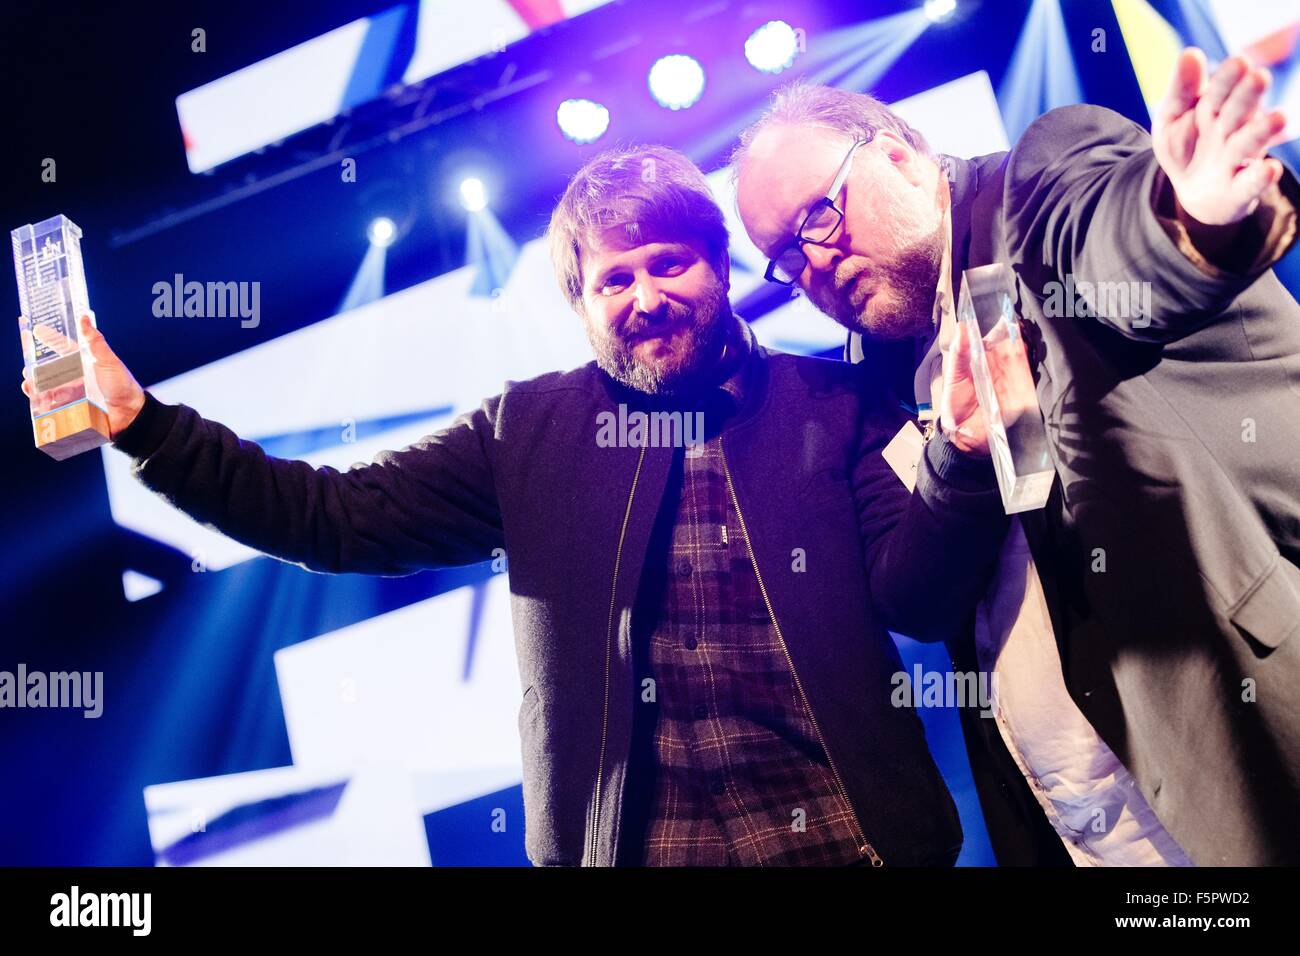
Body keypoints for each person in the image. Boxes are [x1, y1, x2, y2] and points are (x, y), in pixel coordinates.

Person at [23, 145, 1009, 867]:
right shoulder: (525, 432)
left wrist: (962, 455)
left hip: (843, 843)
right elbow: (327, 514)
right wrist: (144, 426)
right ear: (580, 306)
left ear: (719, 267)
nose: (645, 295)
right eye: (612, 279)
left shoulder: (832, 402)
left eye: (669, 261)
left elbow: (916, 593)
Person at [732, 48, 1300, 865]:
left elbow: (1120, 250)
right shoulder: (876, 367)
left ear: (898, 155)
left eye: (820, 216)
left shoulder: (1034, 183)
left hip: (1236, 736)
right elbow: (915, 598)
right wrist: (959, 460)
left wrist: (1191, 219)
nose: (813, 263)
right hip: (1088, 822)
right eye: (787, 257)